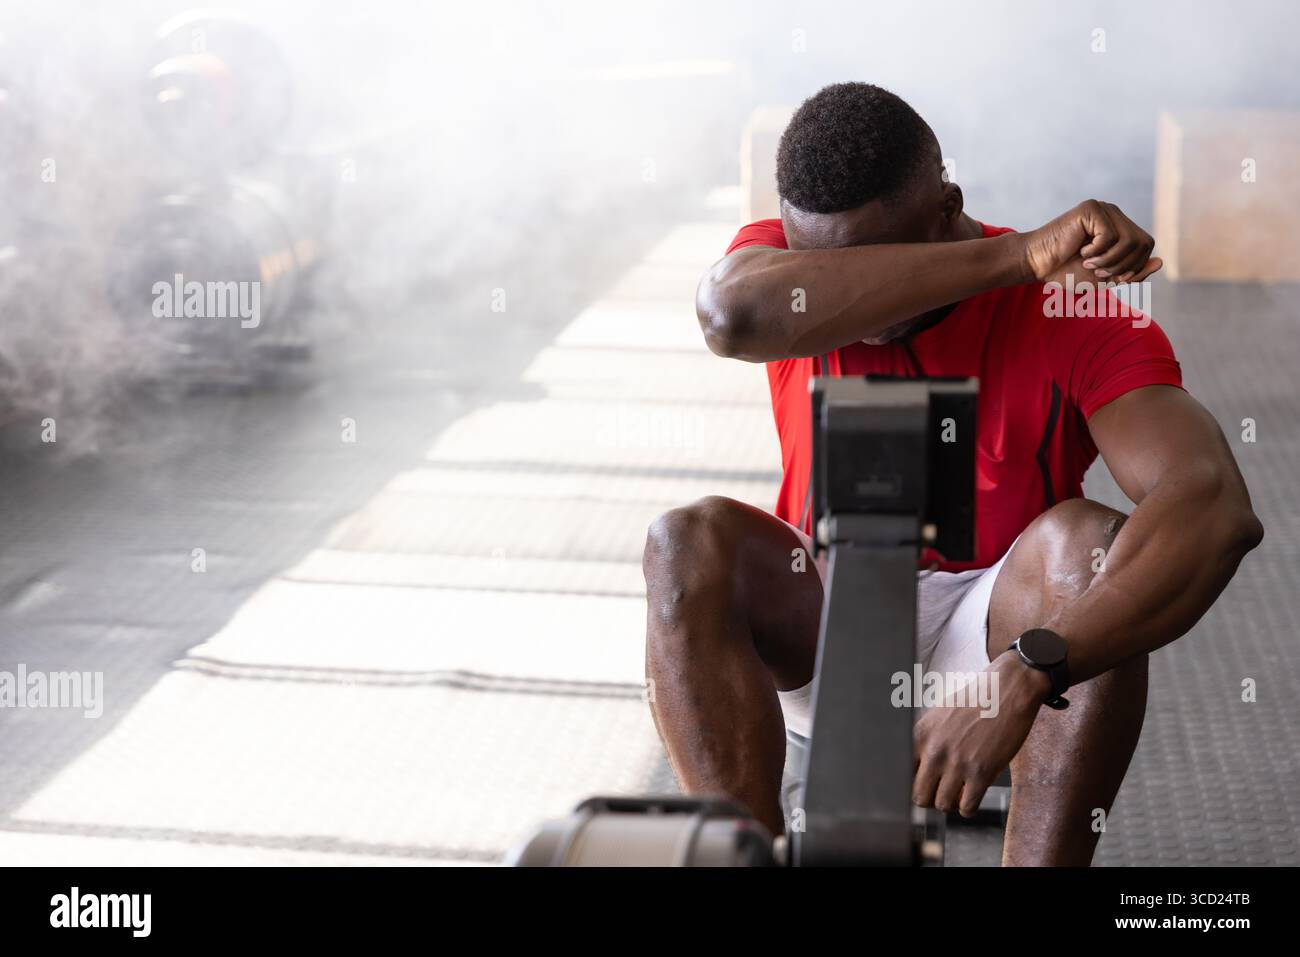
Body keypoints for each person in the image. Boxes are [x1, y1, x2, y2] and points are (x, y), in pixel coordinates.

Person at [642, 82, 1263, 866]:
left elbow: (1212, 508)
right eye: (824, 272)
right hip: (828, 612)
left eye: (876, 268)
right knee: (685, 541)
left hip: (1000, 636)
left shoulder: (1071, 311)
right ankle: (743, 858)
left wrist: (1032, 666)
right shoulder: (777, 262)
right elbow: (729, 318)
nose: (854, 309)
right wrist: (1018, 255)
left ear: (947, 207)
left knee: (1088, 550)